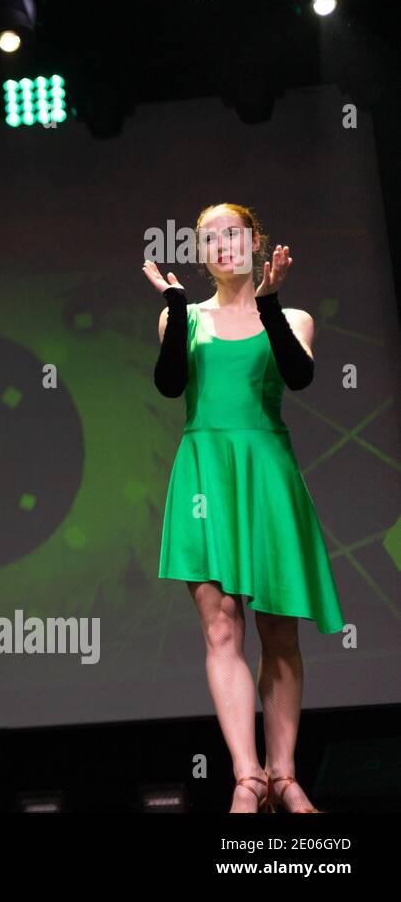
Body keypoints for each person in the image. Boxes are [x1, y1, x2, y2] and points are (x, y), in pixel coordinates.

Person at [146, 203, 342, 814]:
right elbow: (171, 384)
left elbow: (298, 377)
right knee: (221, 627)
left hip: (265, 472)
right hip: (206, 471)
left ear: (255, 242)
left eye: (233, 234)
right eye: (209, 239)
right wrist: (177, 310)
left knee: (278, 630)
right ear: (201, 252)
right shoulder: (182, 316)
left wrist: (272, 301)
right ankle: (247, 777)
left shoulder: (295, 316)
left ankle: (285, 777)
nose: (222, 245)